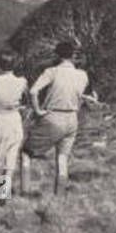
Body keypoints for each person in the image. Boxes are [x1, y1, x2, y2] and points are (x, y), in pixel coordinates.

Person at [21, 41, 93, 196]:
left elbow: (33, 92)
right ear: (73, 55)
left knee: (26, 153)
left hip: (53, 117)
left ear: (57, 55)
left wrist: (38, 111)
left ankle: (23, 193)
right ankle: (59, 198)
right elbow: (79, 97)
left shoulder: (51, 72)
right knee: (62, 158)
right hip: (72, 119)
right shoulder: (82, 75)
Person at [0, 51, 28, 205]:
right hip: (13, 119)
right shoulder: (22, 82)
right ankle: (2, 196)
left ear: (0, 64)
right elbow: (25, 99)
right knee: (10, 159)